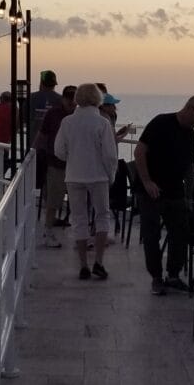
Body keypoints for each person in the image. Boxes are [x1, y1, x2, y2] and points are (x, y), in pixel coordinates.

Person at [134, 95, 194, 296]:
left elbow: (190, 167)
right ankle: (156, 278)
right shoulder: (161, 122)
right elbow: (139, 152)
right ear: (189, 108)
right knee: (152, 235)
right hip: (150, 190)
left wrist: (189, 196)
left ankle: (173, 274)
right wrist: (147, 181)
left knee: (180, 232)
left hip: (175, 190)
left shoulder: (191, 136)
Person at [54, 83, 118, 280]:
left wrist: (72, 160)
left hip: (73, 175)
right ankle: (98, 261)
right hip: (98, 176)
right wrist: (111, 175)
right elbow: (109, 155)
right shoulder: (102, 123)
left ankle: (83, 265)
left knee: (79, 218)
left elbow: (59, 150)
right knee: (102, 216)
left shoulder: (67, 122)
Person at [34, 85, 77, 248]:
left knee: (78, 200)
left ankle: (82, 236)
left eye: (75, 98)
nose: (72, 102)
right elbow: (42, 134)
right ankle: (48, 232)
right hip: (55, 163)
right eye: (70, 98)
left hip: (75, 165)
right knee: (53, 199)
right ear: (64, 98)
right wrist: (33, 152)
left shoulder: (77, 115)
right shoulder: (53, 114)